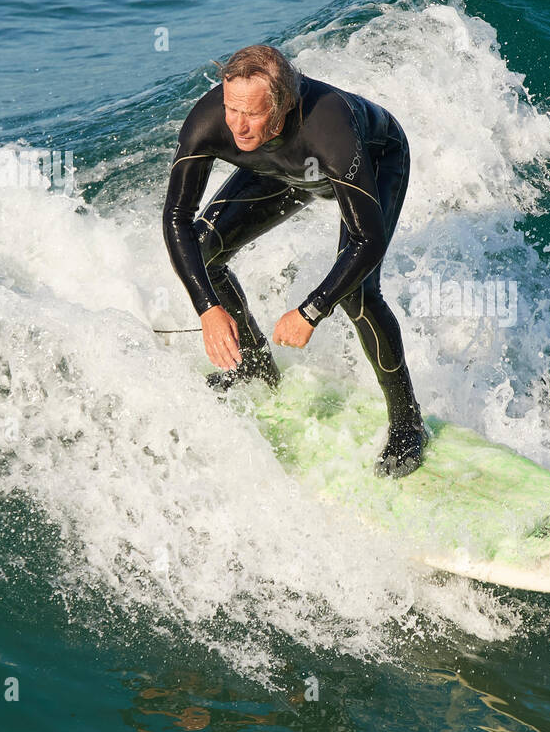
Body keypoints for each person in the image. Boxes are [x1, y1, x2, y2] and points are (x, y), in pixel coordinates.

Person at [161, 44, 428, 477]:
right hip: (283, 170)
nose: (238, 127)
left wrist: (310, 310)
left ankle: (407, 422)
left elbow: (368, 239)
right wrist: (207, 308)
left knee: (357, 294)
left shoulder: (329, 126)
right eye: (232, 108)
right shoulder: (212, 120)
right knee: (206, 252)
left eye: (252, 113)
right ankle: (255, 366)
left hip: (373, 162)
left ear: (284, 104)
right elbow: (176, 217)